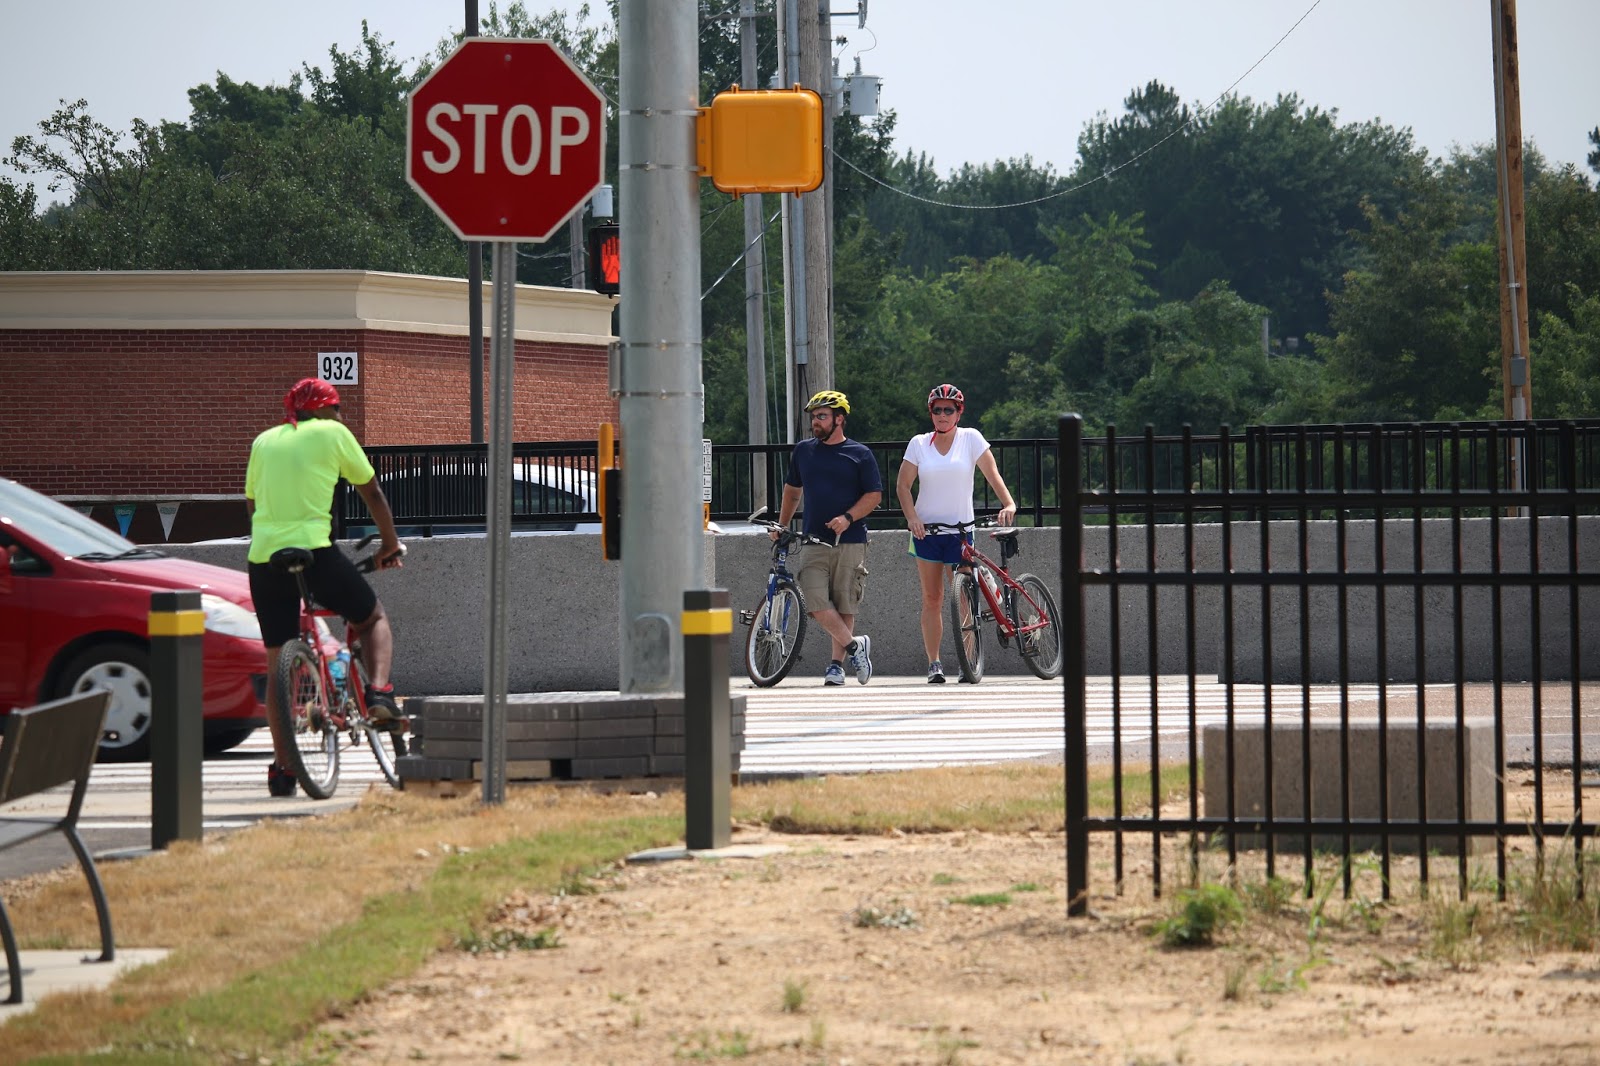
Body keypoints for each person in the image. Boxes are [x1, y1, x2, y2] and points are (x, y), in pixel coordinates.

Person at [245, 378, 405, 796]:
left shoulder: (263, 441)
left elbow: (251, 504)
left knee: (278, 658)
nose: (340, 416)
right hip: (315, 551)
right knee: (372, 618)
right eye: (338, 408)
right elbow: (372, 493)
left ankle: (282, 770)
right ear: (325, 409)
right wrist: (389, 544)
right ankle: (380, 694)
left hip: (264, 558)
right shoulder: (333, 433)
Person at [896, 383, 1018, 684]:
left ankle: (968, 661)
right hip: (927, 532)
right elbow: (902, 486)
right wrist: (912, 518)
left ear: (958, 413)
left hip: (961, 531)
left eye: (948, 410)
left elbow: (992, 474)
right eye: (936, 410)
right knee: (932, 597)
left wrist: (1009, 503)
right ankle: (934, 663)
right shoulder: (919, 444)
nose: (942, 415)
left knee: (964, 598)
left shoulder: (971, 438)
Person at [775, 389, 883, 685]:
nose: (816, 423)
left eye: (822, 417)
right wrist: (783, 526)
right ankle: (854, 646)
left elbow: (874, 495)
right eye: (813, 417)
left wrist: (848, 517)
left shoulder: (860, 454)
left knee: (845, 604)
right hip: (813, 541)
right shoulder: (804, 451)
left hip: (850, 541)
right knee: (816, 603)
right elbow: (792, 491)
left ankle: (836, 666)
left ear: (840, 419)